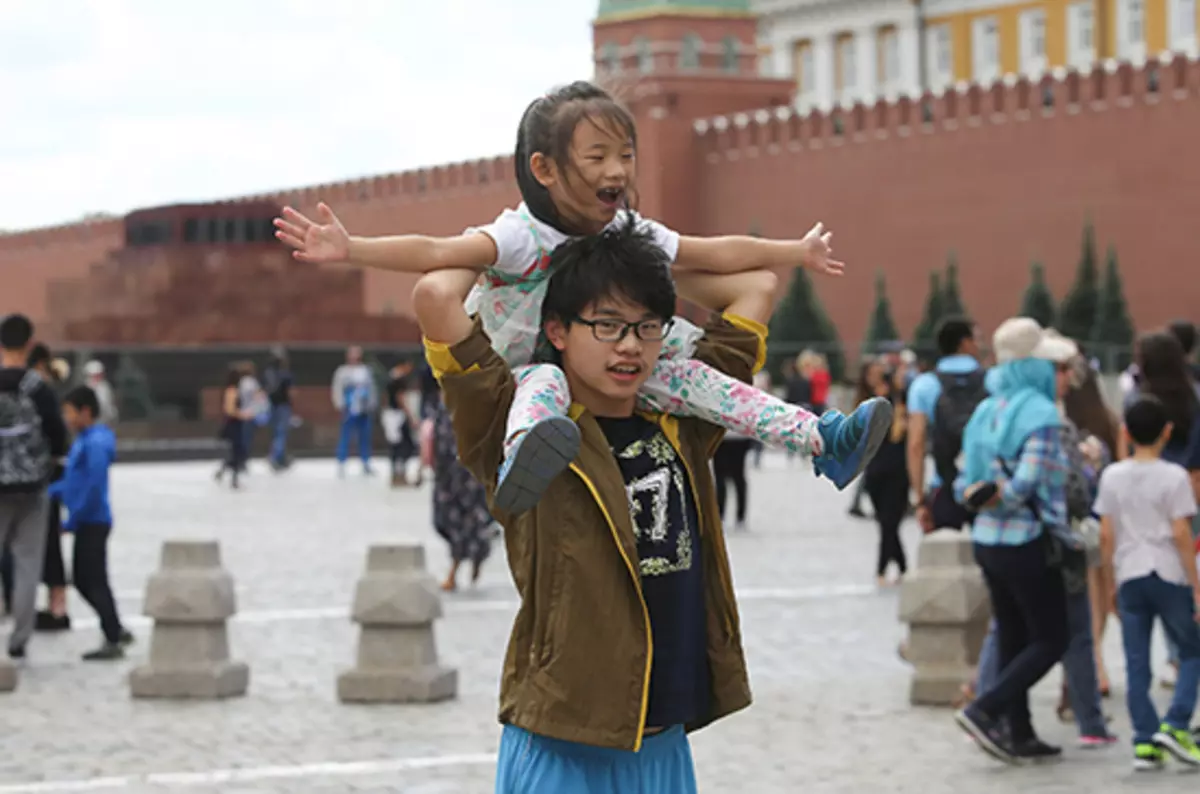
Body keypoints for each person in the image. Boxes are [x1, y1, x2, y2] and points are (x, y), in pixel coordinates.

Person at [274, 80, 891, 516]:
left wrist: (794, 251)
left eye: (625, 155)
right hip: (531, 368)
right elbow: (436, 251)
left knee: (709, 386)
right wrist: (351, 247)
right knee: (543, 386)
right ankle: (526, 460)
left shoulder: (627, 231)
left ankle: (823, 442)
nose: (617, 170)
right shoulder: (522, 234)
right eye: (597, 157)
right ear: (544, 169)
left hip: (619, 357)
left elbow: (709, 252)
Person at [422, 220, 763, 792]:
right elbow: (435, 294)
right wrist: (540, 247)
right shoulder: (516, 424)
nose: (629, 345)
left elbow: (755, 287)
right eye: (606, 325)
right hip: (563, 745)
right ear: (556, 328)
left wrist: (632, 260)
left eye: (646, 326)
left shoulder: (684, 419)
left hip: (662, 745)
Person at [953, 318, 1073, 764]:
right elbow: (1027, 485)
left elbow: (963, 478)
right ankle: (986, 709)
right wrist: (1005, 496)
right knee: (1051, 637)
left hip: (988, 540)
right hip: (1028, 539)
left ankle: (1018, 732)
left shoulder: (987, 409)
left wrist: (978, 498)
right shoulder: (1040, 412)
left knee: (1013, 638)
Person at [1096, 395, 1200, 770]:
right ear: (1167, 432)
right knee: (1191, 650)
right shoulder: (1173, 476)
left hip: (1129, 572)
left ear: (1125, 431)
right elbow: (1181, 532)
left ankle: (1144, 741)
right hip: (1169, 570)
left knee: (1136, 660)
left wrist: (1108, 580)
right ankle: (1176, 723)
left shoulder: (1111, 476)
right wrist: (1197, 583)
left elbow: (1106, 534)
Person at [0, 314, 69, 659]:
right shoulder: (37, 387)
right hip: (32, 485)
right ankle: (19, 637)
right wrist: (53, 463)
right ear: (28, 344)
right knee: (28, 561)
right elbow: (57, 432)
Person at [47, 386, 133, 660]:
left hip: (92, 521)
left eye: (70, 412)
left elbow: (92, 485)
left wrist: (73, 519)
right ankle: (115, 629)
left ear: (85, 411)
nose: (67, 418)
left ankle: (113, 634)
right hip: (88, 520)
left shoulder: (94, 443)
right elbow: (74, 483)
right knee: (89, 579)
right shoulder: (85, 440)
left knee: (92, 580)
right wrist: (48, 492)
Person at [908, 317, 986, 533]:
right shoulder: (992, 381)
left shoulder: (924, 384)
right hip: (987, 487)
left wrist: (920, 499)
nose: (980, 345)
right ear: (965, 343)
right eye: (977, 339)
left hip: (944, 484)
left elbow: (916, 443)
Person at [426, 379, 494, 591]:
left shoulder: (474, 403)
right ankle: (472, 560)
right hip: (446, 474)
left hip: (469, 474)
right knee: (444, 520)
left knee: (469, 522)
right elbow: (433, 438)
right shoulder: (441, 403)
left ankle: (456, 571)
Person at [863, 381, 909, 587]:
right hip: (879, 474)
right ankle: (901, 567)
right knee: (887, 524)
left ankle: (884, 569)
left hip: (892, 475)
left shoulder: (899, 414)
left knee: (888, 525)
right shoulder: (869, 412)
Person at [331, 346, 378, 476]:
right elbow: (337, 389)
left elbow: (372, 388)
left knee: (365, 437)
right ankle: (341, 462)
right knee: (345, 436)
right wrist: (340, 405)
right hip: (349, 408)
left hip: (364, 409)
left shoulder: (366, 370)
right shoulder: (342, 371)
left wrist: (372, 404)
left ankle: (365, 462)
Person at [214, 366, 253, 489]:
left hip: (235, 424)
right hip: (233, 425)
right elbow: (230, 410)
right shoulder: (232, 391)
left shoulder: (231, 390)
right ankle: (234, 480)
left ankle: (224, 472)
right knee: (237, 451)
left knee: (235, 452)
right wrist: (243, 415)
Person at [712, 431, 752, 532]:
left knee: (726, 479)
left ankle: (725, 516)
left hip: (726, 436)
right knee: (732, 479)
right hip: (730, 436)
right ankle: (737, 517)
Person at [261, 349, 294, 471]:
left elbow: (264, 389)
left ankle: (281, 458)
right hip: (283, 406)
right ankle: (275, 457)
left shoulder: (267, 373)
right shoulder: (286, 374)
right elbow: (290, 392)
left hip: (271, 405)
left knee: (275, 433)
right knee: (282, 433)